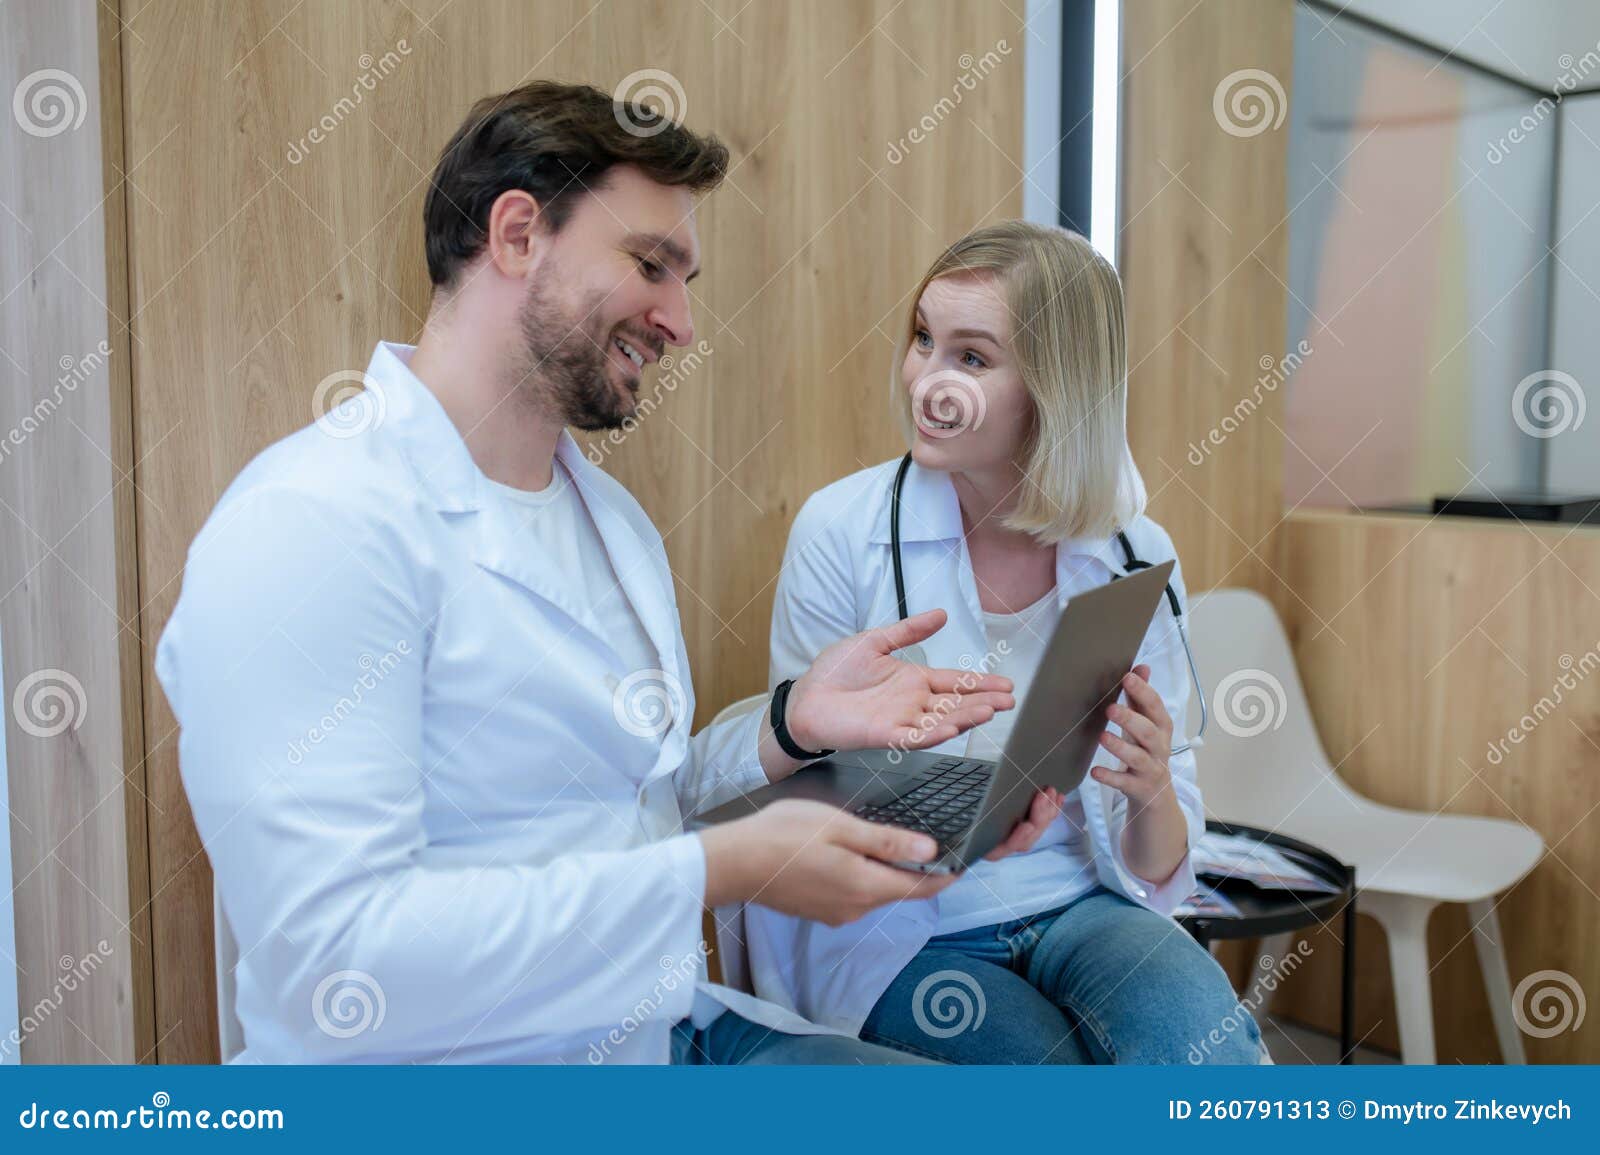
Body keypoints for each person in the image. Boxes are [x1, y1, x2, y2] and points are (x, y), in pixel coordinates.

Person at [154, 81, 1034, 1065]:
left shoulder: (607, 521)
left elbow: (623, 810)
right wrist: (718, 868)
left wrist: (794, 726)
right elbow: (339, 965)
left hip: (642, 1034)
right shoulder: (312, 524)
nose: (682, 322)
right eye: (651, 265)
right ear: (518, 234)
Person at [740, 221, 1267, 1064]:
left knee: (1203, 1057)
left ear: (1055, 389)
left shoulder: (1133, 550)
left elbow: (1165, 865)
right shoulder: (842, 530)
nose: (927, 381)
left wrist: (1151, 789)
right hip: (907, 928)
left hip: (1083, 903)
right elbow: (800, 799)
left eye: (971, 358)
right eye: (922, 340)